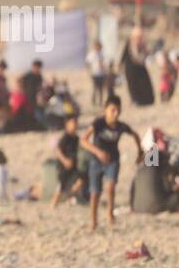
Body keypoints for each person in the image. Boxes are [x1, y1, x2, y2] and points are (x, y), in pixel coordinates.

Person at [81, 95, 142, 230]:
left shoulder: (121, 126)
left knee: (111, 186)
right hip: (96, 161)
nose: (116, 114)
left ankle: (110, 213)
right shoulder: (98, 123)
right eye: (113, 110)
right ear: (105, 110)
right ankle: (93, 221)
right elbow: (83, 140)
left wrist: (140, 152)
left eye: (118, 111)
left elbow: (135, 135)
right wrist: (97, 152)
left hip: (113, 160)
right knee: (95, 193)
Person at [51, 114, 86, 207]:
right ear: (67, 124)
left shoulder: (76, 138)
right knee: (61, 186)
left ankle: (69, 197)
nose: (75, 125)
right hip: (64, 167)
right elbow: (57, 150)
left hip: (74, 166)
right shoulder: (65, 137)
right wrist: (65, 160)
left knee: (81, 180)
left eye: (76, 122)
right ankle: (53, 203)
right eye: (73, 123)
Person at [87, 41, 108, 108]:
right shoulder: (92, 54)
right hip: (94, 74)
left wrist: (104, 70)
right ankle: (93, 101)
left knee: (101, 89)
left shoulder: (101, 54)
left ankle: (100, 101)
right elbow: (88, 63)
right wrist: (90, 72)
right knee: (95, 88)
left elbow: (103, 63)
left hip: (101, 74)